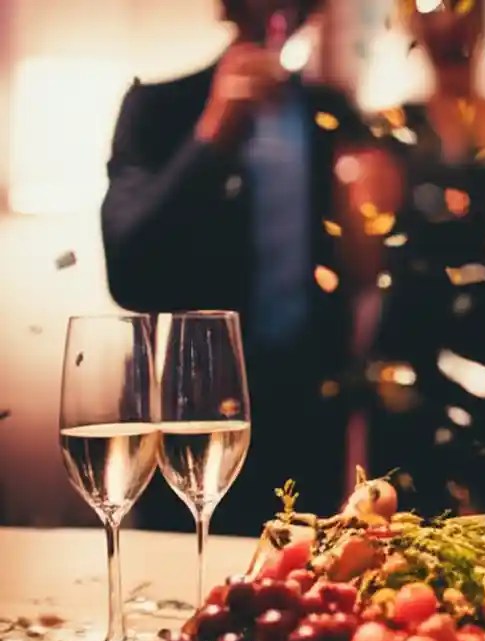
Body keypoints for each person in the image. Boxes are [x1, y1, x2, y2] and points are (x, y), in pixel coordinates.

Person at [101, 0, 376, 532]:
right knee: (182, 596)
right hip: (188, 415)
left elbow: (363, 271)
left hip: (307, 416)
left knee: (299, 598)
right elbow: (129, 271)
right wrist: (211, 138)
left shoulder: (335, 117)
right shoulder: (159, 107)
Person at [359, 0, 485, 517]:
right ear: (413, 27)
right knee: (410, 516)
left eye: (460, 10)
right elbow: (364, 257)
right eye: (433, 11)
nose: (448, 24)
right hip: (414, 346)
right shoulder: (387, 130)